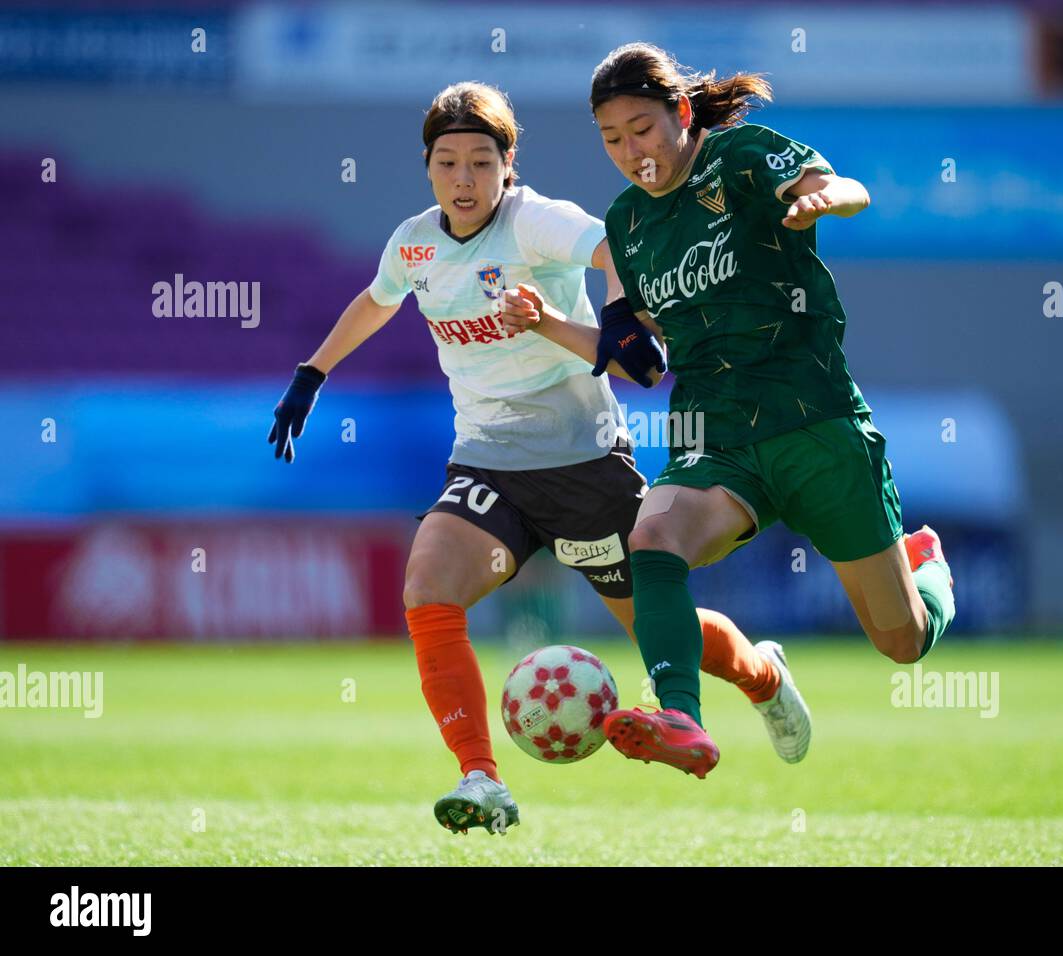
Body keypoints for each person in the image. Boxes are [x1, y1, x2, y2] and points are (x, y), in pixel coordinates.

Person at [267, 81, 811, 833]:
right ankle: (481, 778)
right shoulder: (415, 241)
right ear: (428, 167)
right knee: (428, 589)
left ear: (508, 164)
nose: (464, 179)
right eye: (448, 162)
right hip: (487, 468)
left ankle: (762, 675)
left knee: (653, 624)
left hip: (584, 466)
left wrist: (620, 310)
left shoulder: (535, 221)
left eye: (481, 163)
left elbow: (618, 244)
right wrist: (312, 372)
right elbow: (378, 298)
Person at [505, 44, 956, 780]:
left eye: (643, 128)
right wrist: (547, 323)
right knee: (651, 539)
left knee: (901, 642)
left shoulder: (741, 156)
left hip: (814, 423)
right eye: (612, 138)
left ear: (681, 113)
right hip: (713, 434)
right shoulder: (626, 221)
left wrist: (824, 198)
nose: (631, 151)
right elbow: (639, 359)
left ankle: (926, 566)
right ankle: (680, 713)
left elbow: (846, 187)